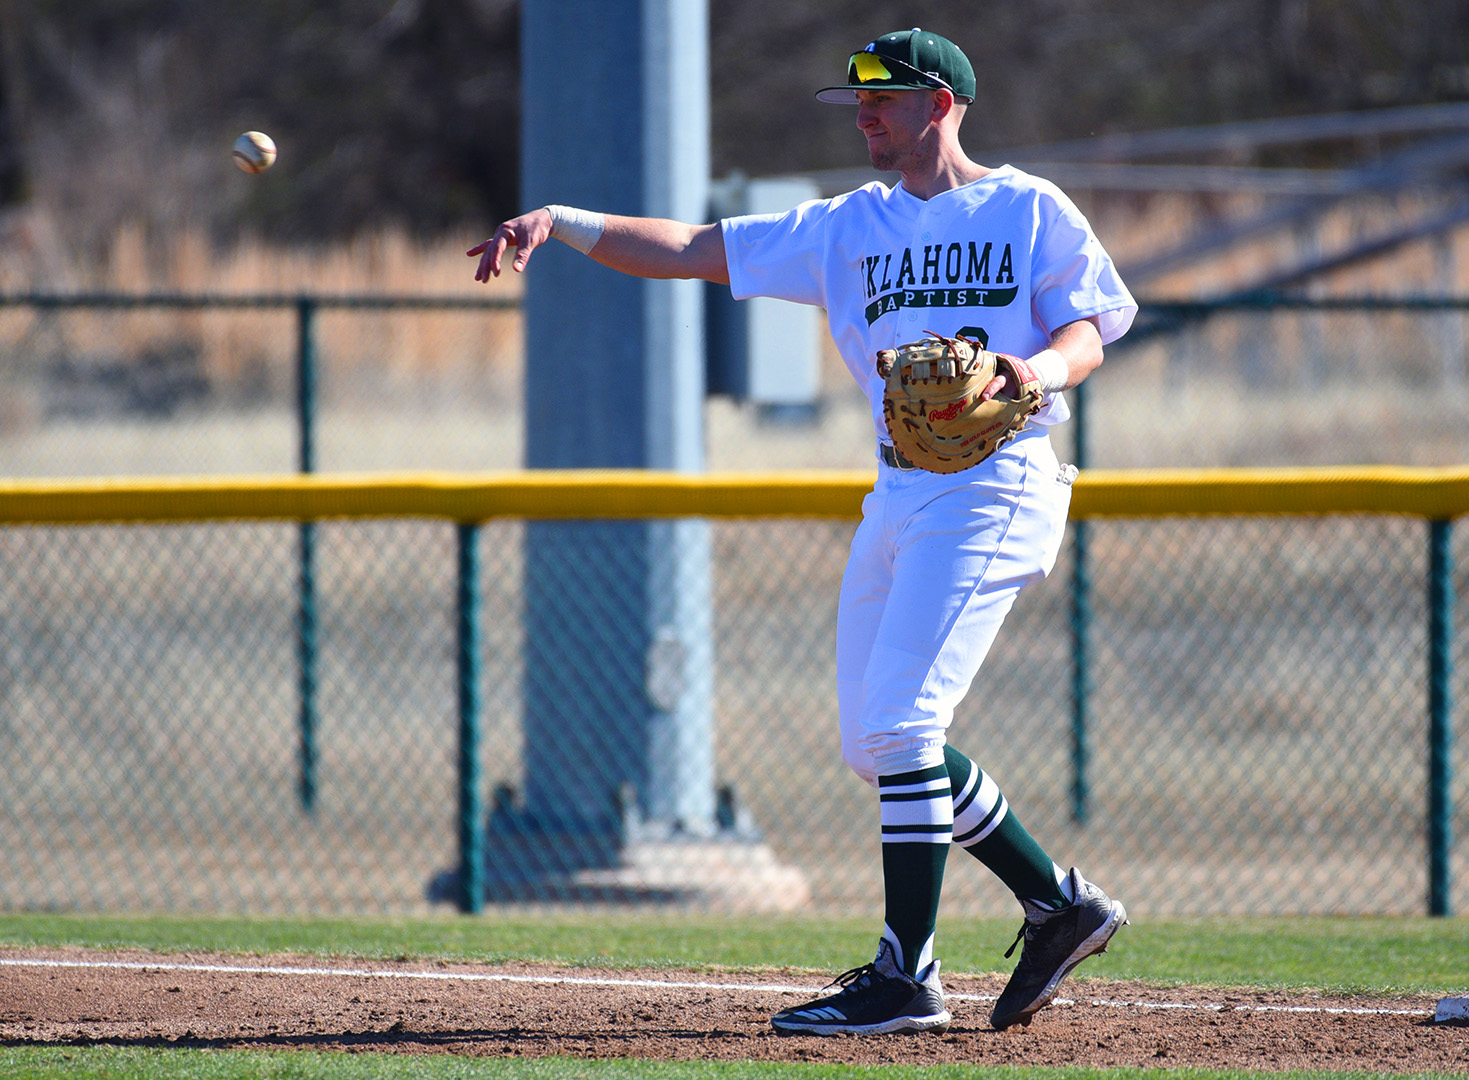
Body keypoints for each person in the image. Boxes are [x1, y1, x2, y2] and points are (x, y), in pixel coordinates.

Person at [470, 27, 1136, 1036]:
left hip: (997, 484)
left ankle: (907, 974)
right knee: (878, 748)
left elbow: (1090, 326)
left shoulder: (1026, 207)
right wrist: (559, 221)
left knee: (904, 728)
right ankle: (1059, 905)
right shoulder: (846, 226)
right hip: (901, 497)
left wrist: (1036, 371)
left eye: (883, 100)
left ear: (942, 103)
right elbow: (692, 251)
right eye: (857, 103)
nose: (863, 116)